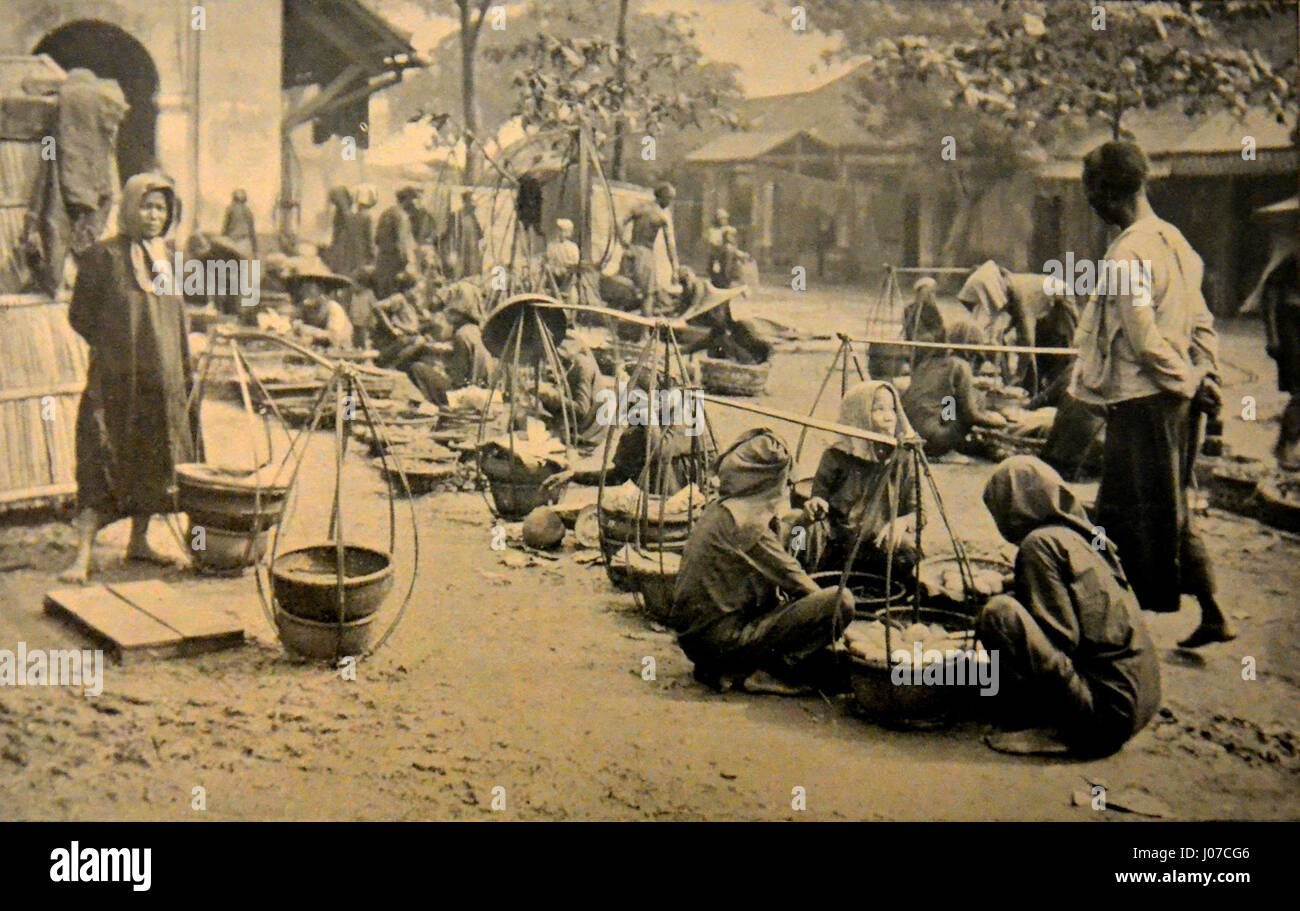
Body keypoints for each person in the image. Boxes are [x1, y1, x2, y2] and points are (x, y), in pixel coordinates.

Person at [1069, 140, 1232, 649]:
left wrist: (1188, 380)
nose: (1090, 204)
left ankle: (1111, 631)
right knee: (1164, 507)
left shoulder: (1127, 253)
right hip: (1175, 401)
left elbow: (1144, 345)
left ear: (1107, 191)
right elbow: (1203, 325)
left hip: (1145, 404)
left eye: (1090, 192)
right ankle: (1210, 613)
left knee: (1124, 516)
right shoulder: (1177, 243)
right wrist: (1206, 376)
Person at [60, 173, 201, 584]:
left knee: (155, 452)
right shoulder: (102, 257)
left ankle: (138, 541)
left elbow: (177, 319)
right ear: (129, 208)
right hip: (117, 378)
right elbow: (80, 315)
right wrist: (117, 346)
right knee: (101, 452)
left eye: (161, 208)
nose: (154, 215)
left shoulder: (171, 259)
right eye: (146, 206)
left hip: (163, 380)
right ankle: (82, 555)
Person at [977, 456, 1161, 757]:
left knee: (999, 614)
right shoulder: (1080, 536)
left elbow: (1062, 637)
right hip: (1138, 701)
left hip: (1106, 715)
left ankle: (1062, 729)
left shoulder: (1037, 544)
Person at [671, 429, 856, 695]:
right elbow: (796, 580)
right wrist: (842, 629)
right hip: (724, 642)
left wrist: (803, 522)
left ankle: (726, 668)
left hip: (700, 640)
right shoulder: (748, 527)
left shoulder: (725, 508)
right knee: (842, 601)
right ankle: (771, 671)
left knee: (802, 530)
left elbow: (777, 543)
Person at [798, 381, 917, 576]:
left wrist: (901, 523)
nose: (889, 417)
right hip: (838, 540)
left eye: (892, 409)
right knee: (802, 530)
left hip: (880, 540)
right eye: (879, 410)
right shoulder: (837, 455)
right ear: (858, 416)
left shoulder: (904, 456)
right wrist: (815, 503)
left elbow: (919, 512)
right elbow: (819, 496)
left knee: (909, 549)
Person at [539, 365, 709, 497]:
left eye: (632, 400)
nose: (627, 408)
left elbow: (660, 452)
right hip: (652, 505)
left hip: (677, 507)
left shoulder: (686, 414)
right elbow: (620, 475)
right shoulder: (637, 429)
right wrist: (573, 475)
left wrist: (648, 418)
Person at [901, 320, 1006, 457]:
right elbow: (971, 415)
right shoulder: (960, 365)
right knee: (974, 401)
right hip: (932, 438)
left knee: (949, 401)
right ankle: (953, 446)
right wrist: (999, 422)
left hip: (909, 432)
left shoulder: (927, 362)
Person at [620, 182, 680, 316]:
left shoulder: (640, 208)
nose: (670, 203)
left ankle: (617, 327)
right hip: (645, 255)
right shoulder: (661, 216)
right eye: (669, 199)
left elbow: (620, 222)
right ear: (662, 197)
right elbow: (670, 245)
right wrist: (675, 267)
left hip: (630, 251)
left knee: (627, 290)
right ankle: (645, 332)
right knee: (649, 295)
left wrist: (623, 243)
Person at [287, 262, 354, 350]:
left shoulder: (333, 308)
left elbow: (334, 337)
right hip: (312, 353)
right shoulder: (303, 307)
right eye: (303, 289)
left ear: (321, 289)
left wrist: (306, 329)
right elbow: (291, 324)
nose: (305, 293)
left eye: (309, 289)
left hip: (339, 354)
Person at [374, 185, 423, 298]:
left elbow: (376, 240)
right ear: (407, 199)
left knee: (382, 299)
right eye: (414, 199)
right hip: (395, 266)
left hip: (382, 263)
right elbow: (403, 246)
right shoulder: (402, 217)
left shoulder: (385, 213)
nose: (416, 204)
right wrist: (409, 265)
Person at [545, 218, 582, 304]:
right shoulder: (551, 246)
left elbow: (575, 264)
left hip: (568, 281)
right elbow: (549, 262)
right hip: (554, 281)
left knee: (572, 299)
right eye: (559, 230)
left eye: (564, 231)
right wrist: (554, 269)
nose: (561, 233)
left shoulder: (572, 247)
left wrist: (567, 268)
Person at [220, 189, 257, 257]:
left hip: (231, 242)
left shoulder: (230, 209)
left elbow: (225, 228)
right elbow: (252, 232)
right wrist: (255, 250)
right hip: (244, 242)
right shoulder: (248, 211)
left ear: (234, 199)